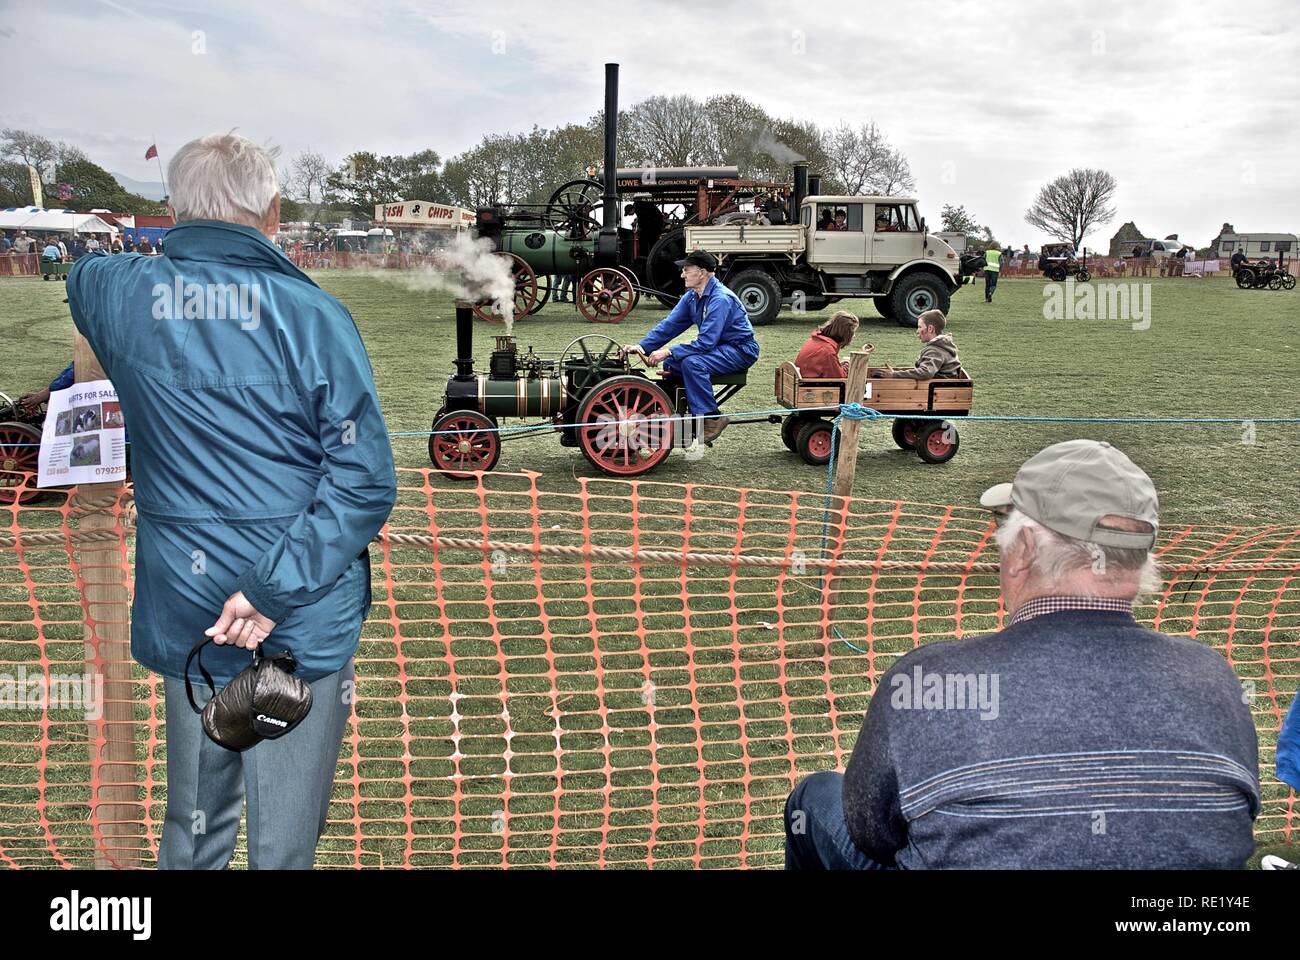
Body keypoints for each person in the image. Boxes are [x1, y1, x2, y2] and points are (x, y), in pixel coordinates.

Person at [66, 132, 397, 870]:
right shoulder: (315, 318)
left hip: (191, 607)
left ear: (175, 210)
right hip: (298, 618)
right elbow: (366, 479)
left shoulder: (122, 292)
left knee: (192, 828)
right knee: (281, 844)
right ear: (273, 212)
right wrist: (273, 591)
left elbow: (85, 273)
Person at [784, 439, 1260, 869]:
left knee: (813, 798)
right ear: (1138, 562)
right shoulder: (1215, 676)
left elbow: (871, 834)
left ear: (1025, 548)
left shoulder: (929, 680)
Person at [622, 250, 759, 445]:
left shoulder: (720, 299)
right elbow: (669, 325)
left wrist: (668, 351)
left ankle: (711, 417)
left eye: (686, 270)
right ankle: (673, 412)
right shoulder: (692, 297)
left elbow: (706, 343)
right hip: (719, 347)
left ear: (702, 272)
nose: (682, 274)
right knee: (672, 363)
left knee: (693, 364)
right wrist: (642, 347)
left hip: (740, 350)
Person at [874, 309, 965, 379]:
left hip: (939, 393)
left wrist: (895, 375)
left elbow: (926, 372)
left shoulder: (935, 350)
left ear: (930, 329)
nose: (917, 331)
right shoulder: (943, 345)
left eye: (920, 327)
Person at [794, 311, 859, 378]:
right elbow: (839, 378)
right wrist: (847, 366)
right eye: (852, 333)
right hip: (811, 386)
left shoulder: (815, 341)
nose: (854, 336)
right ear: (845, 334)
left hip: (803, 383)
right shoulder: (827, 351)